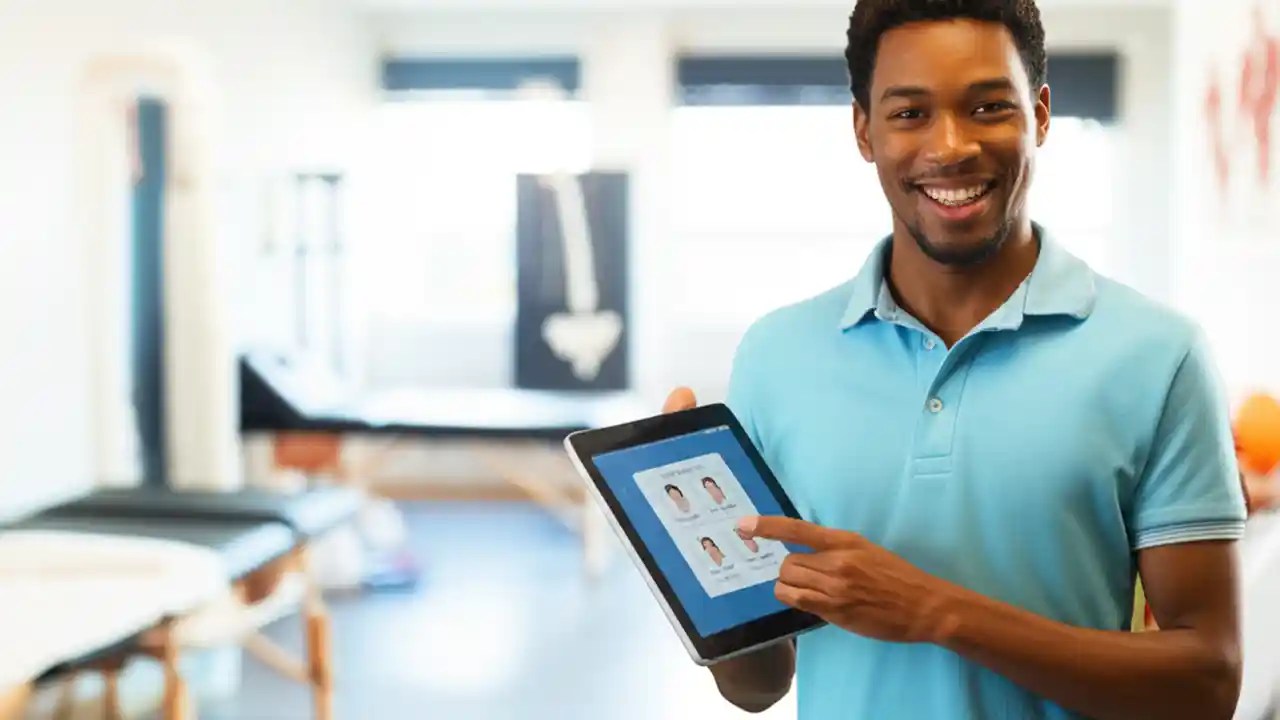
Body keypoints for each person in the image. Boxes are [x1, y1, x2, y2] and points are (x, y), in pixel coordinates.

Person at [662, 1, 1247, 718]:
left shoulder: (1159, 355)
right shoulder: (776, 355)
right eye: (909, 114)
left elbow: (1208, 683)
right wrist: (697, 571)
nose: (951, 146)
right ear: (863, 130)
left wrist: (936, 612)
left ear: (1038, 116)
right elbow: (760, 686)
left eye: (987, 107)